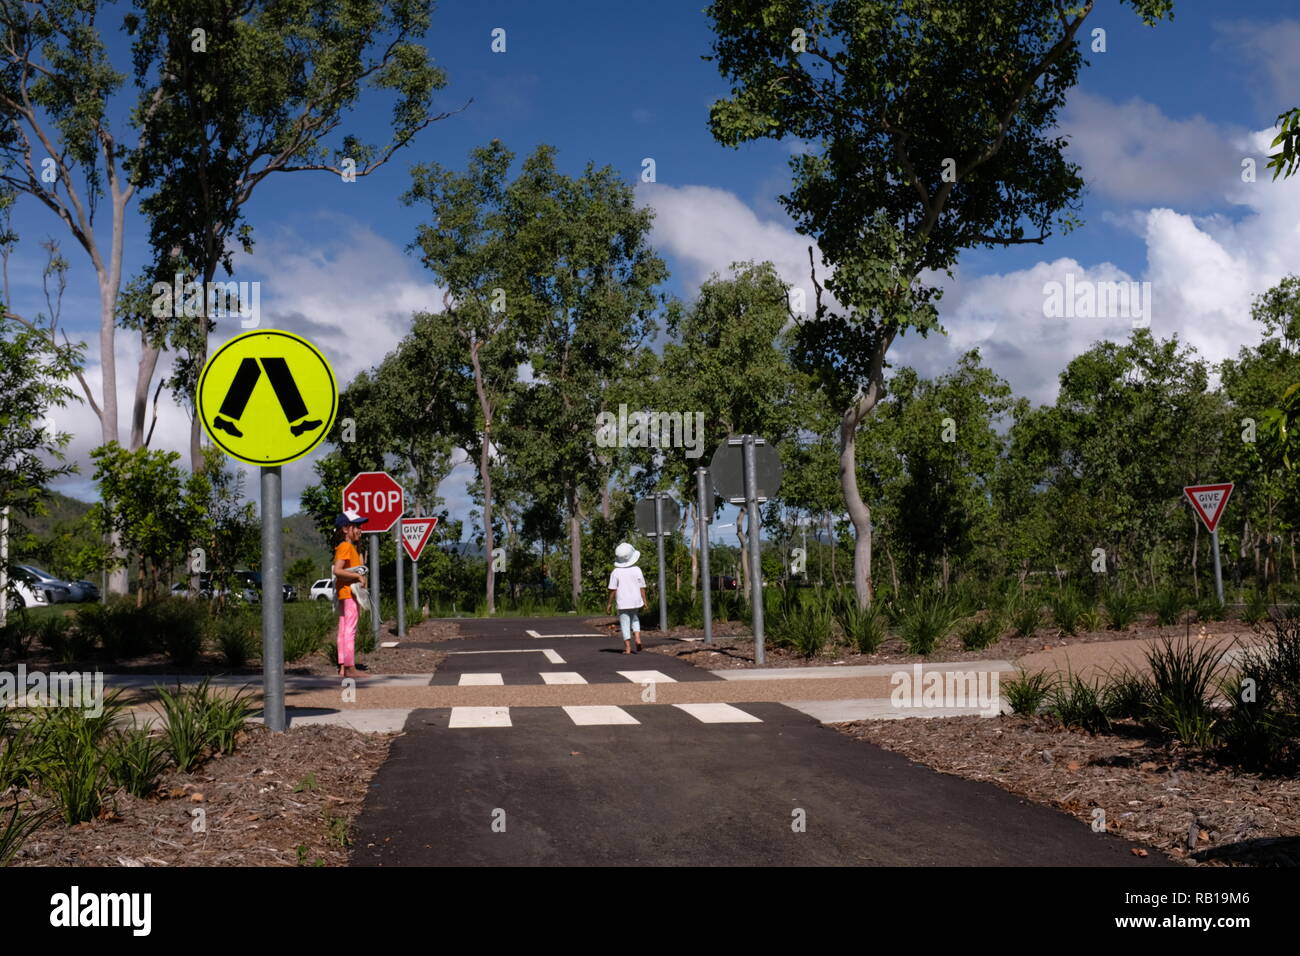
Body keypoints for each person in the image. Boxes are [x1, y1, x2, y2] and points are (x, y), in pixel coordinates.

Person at [332, 510, 369, 678]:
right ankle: (349, 667)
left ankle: (342, 666)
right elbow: (338, 571)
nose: (360, 529)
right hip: (350, 594)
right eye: (357, 526)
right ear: (345, 529)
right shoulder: (346, 547)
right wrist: (356, 576)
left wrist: (359, 547)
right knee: (350, 629)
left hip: (345, 593)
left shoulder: (349, 547)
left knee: (343, 628)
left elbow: (360, 566)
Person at [605, 542, 648, 655]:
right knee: (635, 619)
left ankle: (628, 647)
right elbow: (642, 587)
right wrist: (645, 601)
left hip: (623, 602)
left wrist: (609, 604)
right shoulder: (637, 570)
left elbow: (612, 590)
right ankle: (638, 639)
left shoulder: (615, 572)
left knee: (624, 623)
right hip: (635, 601)